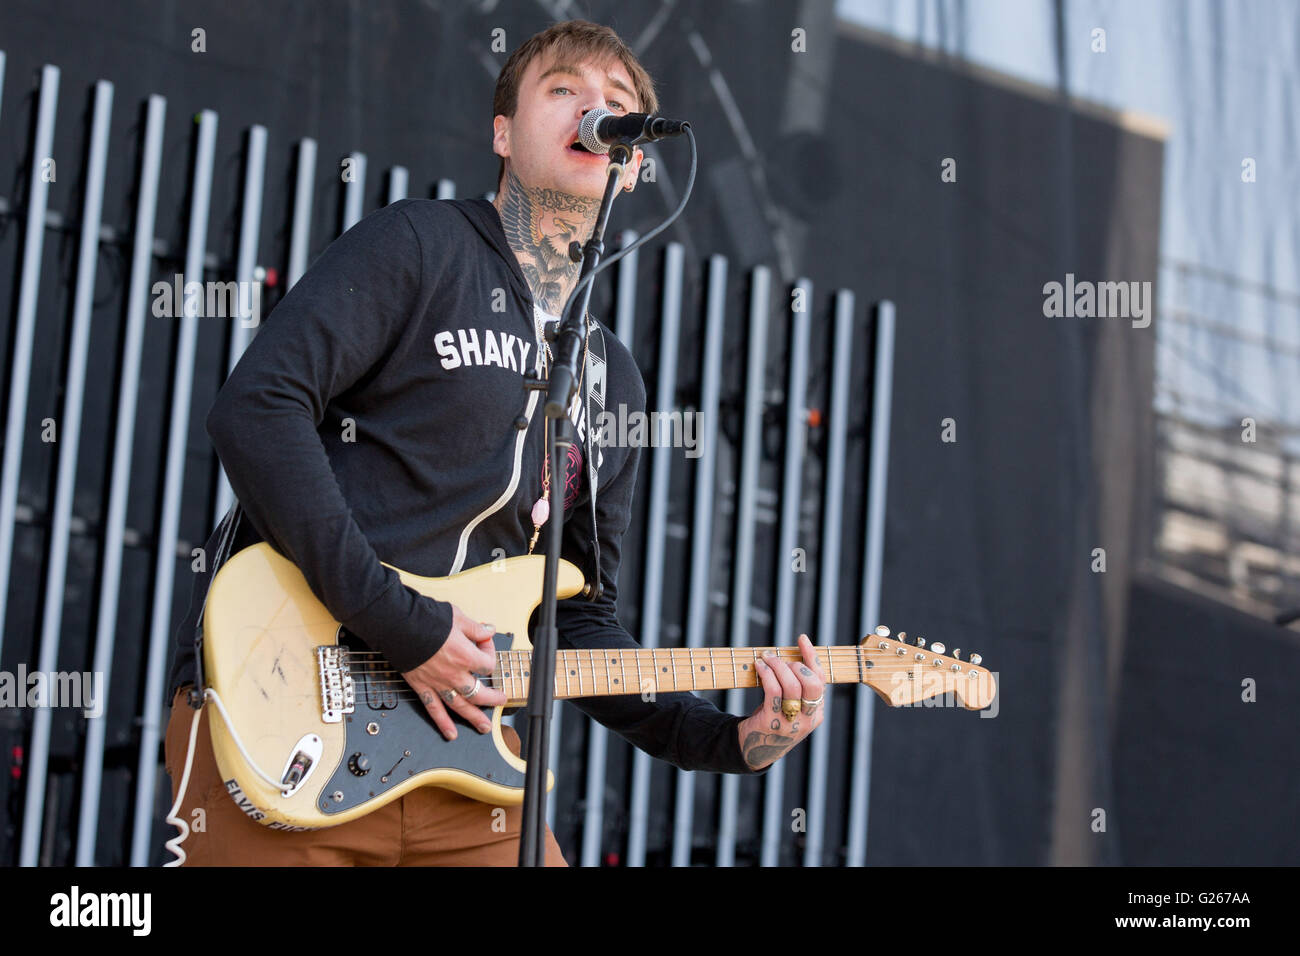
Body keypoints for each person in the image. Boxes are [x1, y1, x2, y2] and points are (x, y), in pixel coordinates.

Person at [162, 18, 825, 867]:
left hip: (467, 775)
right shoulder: (419, 247)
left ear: (636, 161)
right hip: (289, 717)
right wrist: (406, 628)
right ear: (503, 134)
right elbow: (256, 410)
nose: (597, 109)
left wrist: (735, 738)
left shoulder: (610, 377)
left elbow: (577, 618)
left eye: (619, 103)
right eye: (565, 91)